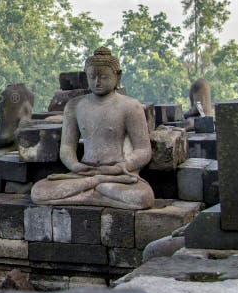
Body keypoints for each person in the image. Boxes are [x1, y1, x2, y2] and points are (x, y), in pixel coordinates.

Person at [30, 47, 154, 209]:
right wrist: (75, 166)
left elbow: (143, 150)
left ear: (118, 76)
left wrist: (123, 166)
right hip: (84, 173)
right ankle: (96, 187)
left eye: (104, 77)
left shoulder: (131, 106)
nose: (97, 82)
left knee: (142, 196)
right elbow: (67, 147)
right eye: (92, 77)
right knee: (39, 191)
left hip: (117, 175)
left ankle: (88, 190)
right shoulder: (74, 106)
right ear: (86, 76)